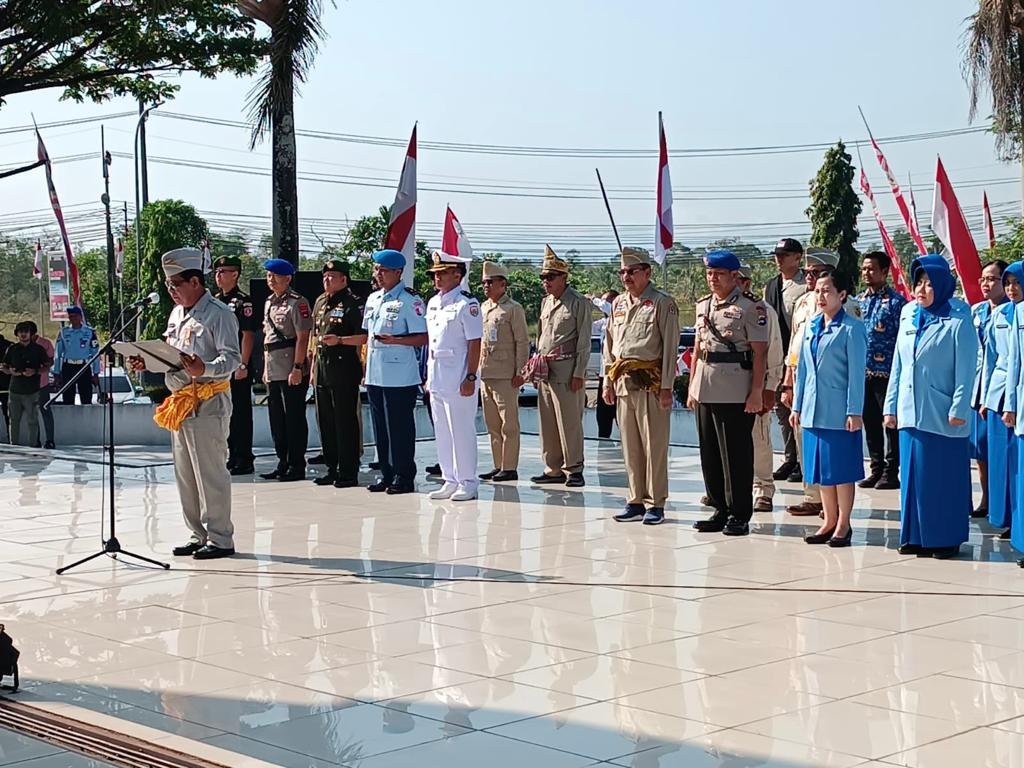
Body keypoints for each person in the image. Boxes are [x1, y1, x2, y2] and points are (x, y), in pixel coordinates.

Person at [130, 247, 240, 560]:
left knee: (210, 472)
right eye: (169, 286)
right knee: (186, 473)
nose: (172, 291)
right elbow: (171, 357)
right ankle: (197, 534)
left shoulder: (219, 313)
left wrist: (203, 368)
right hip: (180, 401)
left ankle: (220, 538)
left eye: (176, 285)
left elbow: (232, 358)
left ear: (195, 282)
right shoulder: (177, 313)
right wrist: (148, 363)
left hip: (209, 399)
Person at [884, 254, 977, 559]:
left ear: (941, 284)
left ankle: (946, 537)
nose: (921, 290)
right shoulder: (909, 313)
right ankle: (916, 535)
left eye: (928, 284)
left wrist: (959, 409)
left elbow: (967, 368)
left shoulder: (959, 317)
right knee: (914, 477)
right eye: (918, 283)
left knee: (943, 478)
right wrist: (891, 405)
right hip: (910, 410)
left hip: (943, 410)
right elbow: (899, 363)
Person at [688, 249, 769, 536]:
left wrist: (757, 391)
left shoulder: (750, 308)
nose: (713, 279)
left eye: (719, 274)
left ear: (735, 276)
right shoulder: (703, 306)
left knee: (735, 454)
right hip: (705, 385)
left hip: (736, 387)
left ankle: (739, 513)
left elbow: (760, 354)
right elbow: (698, 349)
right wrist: (692, 386)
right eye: (710, 273)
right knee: (709, 452)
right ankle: (719, 506)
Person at [604, 247, 680, 525]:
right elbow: (609, 346)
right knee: (631, 446)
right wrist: (607, 382)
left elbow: (671, 347)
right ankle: (635, 499)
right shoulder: (618, 304)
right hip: (623, 382)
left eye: (632, 271)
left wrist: (667, 387)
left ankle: (656, 502)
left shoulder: (662, 303)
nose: (626, 276)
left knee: (654, 444)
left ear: (647, 272)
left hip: (650, 382)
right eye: (622, 271)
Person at [791, 271, 867, 547]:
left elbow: (857, 374)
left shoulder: (852, 328)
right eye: (818, 291)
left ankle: (844, 523)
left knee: (841, 470)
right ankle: (829, 520)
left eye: (827, 291)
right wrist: (797, 405)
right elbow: (802, 370)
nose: (820, 296)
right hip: (812, 409)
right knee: (821, 469)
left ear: (842, 295)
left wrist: (854, 410)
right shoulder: (811, 326)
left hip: (839, 410)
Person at [780, 248, 857, 516]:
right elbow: (795, 346)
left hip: (835, 392)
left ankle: (836, 510)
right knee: (807, 446)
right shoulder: (803, 304)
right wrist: (789, 381)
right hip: (806, 386)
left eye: (815, 273)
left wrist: (853, 408)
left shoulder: (849, 310)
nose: (810, 278)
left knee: (835, 457)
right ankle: (813, 496)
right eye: (808, 273)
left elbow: (854, 365)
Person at [363, 248, 428, 494]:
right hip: (375, 373)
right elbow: (368, 336)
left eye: (383, 270)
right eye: (376, 269)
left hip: (399, 376)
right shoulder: (373, 299)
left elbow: (422, 337)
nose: (378, 274)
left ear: (398, 273)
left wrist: (397, 340)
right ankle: (387, 473)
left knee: (399, 428)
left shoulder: (410, 301)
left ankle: (404, 475)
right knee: (380, 427)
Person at [530, 245, 591, 488]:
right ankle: (553, 467)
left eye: (551, 277)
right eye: (543, 277)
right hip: (546, 368)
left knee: (569, 421)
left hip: (567, 368)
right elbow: (542, 335)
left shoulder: (578, 302)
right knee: (548, 422)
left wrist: (579, 373)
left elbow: (584, 341)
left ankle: (574, 468)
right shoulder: (546, 303)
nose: (546, 281)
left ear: (564, 277)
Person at [424, 252, 483, 501]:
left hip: (459, 375)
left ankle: (468, 481)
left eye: (442, 273)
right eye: (435, 273)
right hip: (437, 374)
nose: (437, 277)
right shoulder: (433, 303)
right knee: (443, 430)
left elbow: (475, 342)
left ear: (457, 275)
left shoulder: (466, 304)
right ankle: (449, 478)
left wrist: (470, 376)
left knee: (461, 430)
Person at [310, 260, 367, 488]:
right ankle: (332, 468)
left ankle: (348, 471)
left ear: (344, 279)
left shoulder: (353, 303)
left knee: (345, 421)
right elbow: (316, 336)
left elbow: (363, 337)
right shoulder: (321, 302)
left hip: (344, 367)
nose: (327, 280)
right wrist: (313, 366)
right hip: (323, 367)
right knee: (326, 421)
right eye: (325, 276)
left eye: (332, 276)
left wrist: (340, 340)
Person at [259, 258, 312, 483]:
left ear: (287, 278)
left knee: (294, 418)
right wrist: (264, 368)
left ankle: (296, 463)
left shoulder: (297, 302)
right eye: (269, 276)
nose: (271, 280)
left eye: (276, 276)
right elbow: (267, 338)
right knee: (276, 418)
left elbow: (302, 337)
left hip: (291, 364)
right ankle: (282, 460)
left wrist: (298, 367)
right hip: (273, 365)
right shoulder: (269, 302)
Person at [857, 251, 906, 490]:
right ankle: (875, 469)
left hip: (888, 374)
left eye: (871, 269)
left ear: (884, 272)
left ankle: (891, 470)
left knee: (890, 424)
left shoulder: (897, 303)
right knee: (870, 423)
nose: (866, 273)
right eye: (864, 268)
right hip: (863, 373)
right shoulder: (858, 302)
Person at [982, 262, 1023, 536]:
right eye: (1007, 283)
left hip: (1018, 396)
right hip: (999, 396)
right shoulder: (1000, 315)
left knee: (1016, 463)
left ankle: (1017, 518)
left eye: (1016, 283)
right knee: (999, 460)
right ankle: (1002, 515)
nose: (1011, 289)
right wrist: (986, 396)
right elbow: (990, 358)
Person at [478, 260, 529, 482]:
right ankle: (498, 464)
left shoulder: (513, 309)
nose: (486, 286)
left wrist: (521, 371)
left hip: (506, 374)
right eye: (484, 283)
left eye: (490, 282)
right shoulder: (483, 307)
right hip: (486, 372)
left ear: (503, 284)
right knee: (492, 424)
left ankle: (510, 467)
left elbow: (523, 341)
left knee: (509, 423)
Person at [739, 264, 783, 513]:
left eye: (741, 280)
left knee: (759, 438)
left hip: (756, 384)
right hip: (728, 386)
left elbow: (774, 351)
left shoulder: (763, 311)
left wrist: (770, 387)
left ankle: (763, 489)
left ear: (747, 283)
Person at [764, 238, 807, 481]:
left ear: (797, 257)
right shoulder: (772, 285)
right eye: (777, 254)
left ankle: (802, 460)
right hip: (776, 356)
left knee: (797, 409)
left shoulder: (806, 286)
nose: (779, 259)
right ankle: (790, 457)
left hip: (797, 356)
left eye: (785, 254)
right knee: (781, 411)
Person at [212, 255, 258, 476]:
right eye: (217, 272)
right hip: (219, 366)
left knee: (240, 412)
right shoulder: (214, 300)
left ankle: (244, 457)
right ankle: (231, 454)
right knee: (225, 412)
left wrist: (243, 364)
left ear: (235, 274)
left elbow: (247, 335)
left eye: (223, 272)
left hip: (237, 364)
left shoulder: (243, 301)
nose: (218, 276)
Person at [970, 260, 1009, 518]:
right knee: (981, 450)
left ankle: (1003, 503)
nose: (986, 284)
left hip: (998, 391)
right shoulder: (976, 311)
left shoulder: (1011, 312)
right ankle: (986, 497)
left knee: (1001, 452)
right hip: (977, 388)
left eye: (993, 279)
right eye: (983, 279)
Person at [0, 321, 50, 447]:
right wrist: (10, 371)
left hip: (32, 391)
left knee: (32, 421)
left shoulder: (38, 349)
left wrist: (35, 371)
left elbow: (47, 366)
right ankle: (14, 447)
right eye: (20, 332)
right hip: (15, 391)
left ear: (30, 333)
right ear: (17, 334)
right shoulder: (12, 349)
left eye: (26, 332)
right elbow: (3, 367)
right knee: (14, 421)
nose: (23, 334)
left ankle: (33, 446)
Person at [53, 306, 99, 404]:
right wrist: (56, 372)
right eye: (70, 316)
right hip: (68, 366)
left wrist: (96, 373)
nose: (73, 319)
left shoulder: (89, 332)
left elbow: (95, 353)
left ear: (80, 317)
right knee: (68, 397)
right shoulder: (63, 332)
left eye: (75, 316)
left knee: (86, 397)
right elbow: (58, 353)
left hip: (84, 366)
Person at [591, 289, 620, 439]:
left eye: (607, 301)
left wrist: (593, 299)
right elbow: (587, 327)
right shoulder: (603, 323)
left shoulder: (622, 316)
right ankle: (603, 451)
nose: (603, 306)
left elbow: (609, 308)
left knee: (622, 419)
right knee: (603, 418)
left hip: (619, 375)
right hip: (604, 376)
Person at [30, 329, 56, 449]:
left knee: (45, 411)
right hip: (28, 385)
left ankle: (50, 440)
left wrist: (39, 368)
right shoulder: (21, 346)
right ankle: (36, 440)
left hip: (42, 383)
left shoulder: (45, 344)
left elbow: (50, 361)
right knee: (32, 414)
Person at [0, 332, 11, 441]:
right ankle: (10, 437)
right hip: (6, 385)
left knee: (8, 413)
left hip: (5, 385)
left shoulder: (9, 346)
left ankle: (10, 437)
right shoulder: (10, 345)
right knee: (7, 414)